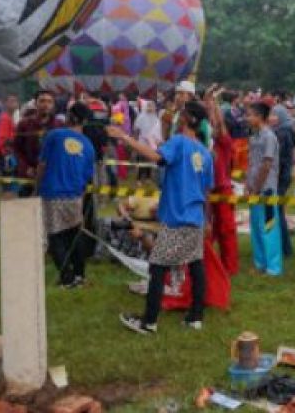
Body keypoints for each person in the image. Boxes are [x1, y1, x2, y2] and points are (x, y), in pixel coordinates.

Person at [112, 100, 213, 335]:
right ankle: (195, 317)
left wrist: (125, 138)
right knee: (196, 264)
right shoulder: (205, 153)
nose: (177, 117)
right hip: (195, 216)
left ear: (187, 119)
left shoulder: (179, 142)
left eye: (181, 114)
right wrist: (207, 219)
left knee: (157, 266)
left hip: (178, 217)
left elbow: (155, 157)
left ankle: (149, 322)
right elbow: (206, 190)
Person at [38, 102, 97, 288]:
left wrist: (36, 185)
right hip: (75, 194)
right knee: (73, 233)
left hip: (53, 192)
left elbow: (42, 165)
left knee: (55, 236)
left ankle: (67, 278)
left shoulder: (54, 135)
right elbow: (88, 175)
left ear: (69, 116)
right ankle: (80, 274)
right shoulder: (88, 145)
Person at [204, 86, 239, 275]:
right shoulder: (208, 144)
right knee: (207, 230)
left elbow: (218, 124)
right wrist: (208, 101)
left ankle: (230, 267)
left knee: (226, 230)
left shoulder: (225, 143)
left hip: (223, 190)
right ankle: (209, 265)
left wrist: (214, 103)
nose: (212, 127)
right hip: (208, 190)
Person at [245, 101, 282, 277]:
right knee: (256, 227)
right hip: (254, 189)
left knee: (269, 227)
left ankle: (273, 267)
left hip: (266, 189)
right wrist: (248, 185)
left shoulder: (269, 137)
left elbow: (267, 164)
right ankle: (260, 263)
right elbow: (252, 163)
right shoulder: (254, 136)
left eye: (250, 115)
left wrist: (258, 187)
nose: (247, 118)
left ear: (260, 117)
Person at [12, 90, 57, 197]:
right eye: (42, 101)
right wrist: (25, 168)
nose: (46, 105)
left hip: (52, 178)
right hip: (29, 178)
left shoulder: (58, 126)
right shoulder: (24, 124)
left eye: (49, 102)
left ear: (53, 105)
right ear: (36, 103)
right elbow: (17, 149)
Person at [271, 104, 295, 258]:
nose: (271, 118)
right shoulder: (283, 131)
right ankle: (284, 247)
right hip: (282, 175)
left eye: (274, 115)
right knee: (277, 210)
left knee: (277, 211)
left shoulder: (283, 132)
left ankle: (285, 247)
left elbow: (277, 157)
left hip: (280, 176)